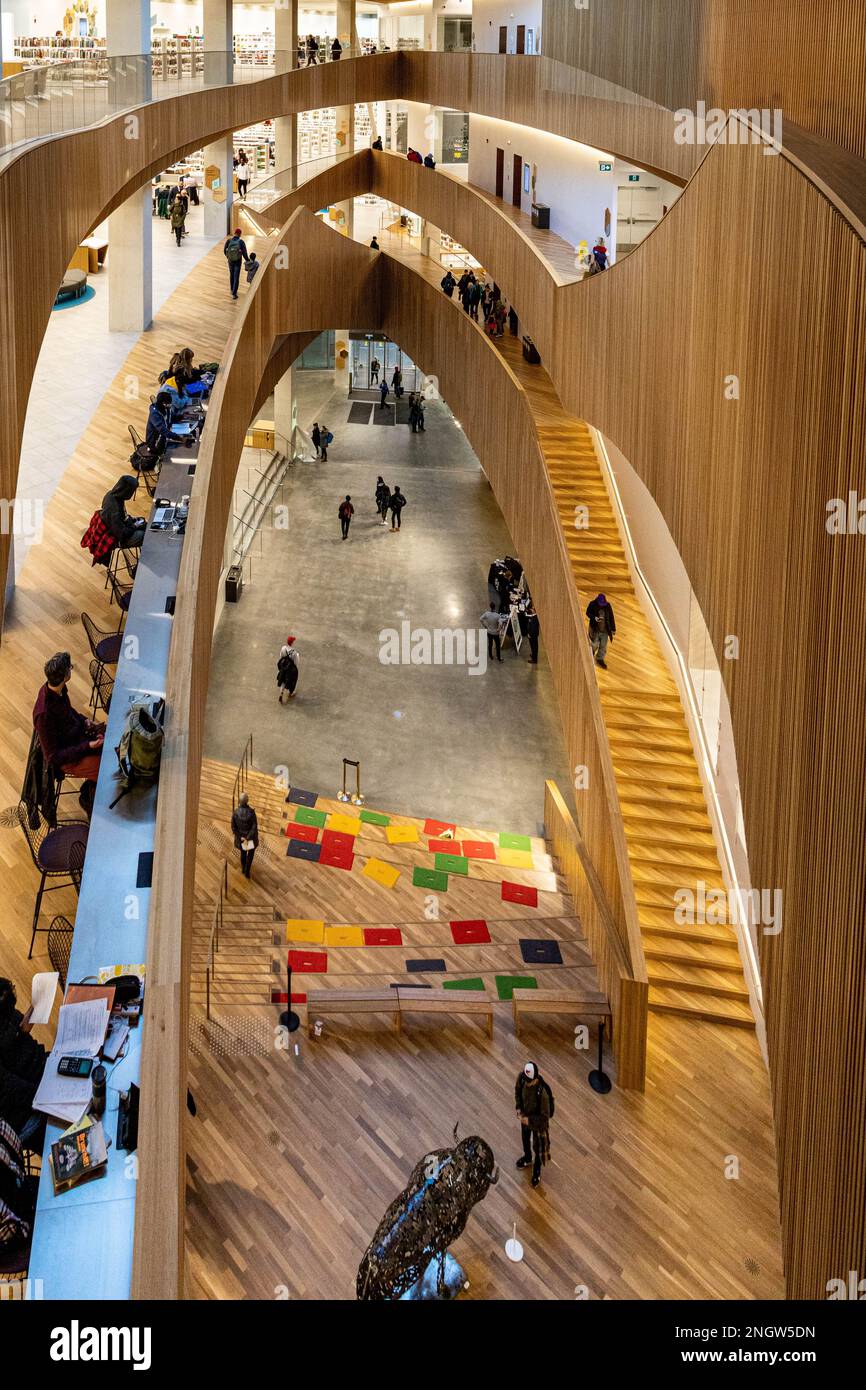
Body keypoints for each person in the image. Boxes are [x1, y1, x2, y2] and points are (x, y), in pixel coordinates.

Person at [32, 652, 105, 803]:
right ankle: (90, 799)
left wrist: (83, 720)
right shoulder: (44, 714)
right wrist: (88, 746)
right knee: (106, 770)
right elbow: (53, 757)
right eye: (70, 668)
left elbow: (68, 711)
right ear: (65, 676)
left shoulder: (57, 689)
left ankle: (93, 787)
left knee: (111, 743)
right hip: (68, 759)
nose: (71, 670)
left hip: (76, 739)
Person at [515, 1061, 553, 1187]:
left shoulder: (543, 1094)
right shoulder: (522, 1079)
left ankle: (536, 1170)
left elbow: (545, 1118)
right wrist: (519, 1108)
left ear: (535, 1079)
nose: (526, 1083)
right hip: (525, 1118)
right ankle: (527, 1158)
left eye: (528, 1081)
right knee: (525, 1139)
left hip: (537, 1125)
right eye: (525, 1080)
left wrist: (529, 1120)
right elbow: (518, 1092)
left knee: (538, 1148)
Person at [101, 475, 146, 549]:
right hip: (117, 538)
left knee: (144, 525)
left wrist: (132, 520)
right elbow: (122, 534)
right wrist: (135, 526)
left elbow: (123, 517)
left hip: (118, 528)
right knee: (143, 535)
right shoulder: (114, 510)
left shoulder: (111, 494)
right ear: (127, 491)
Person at [146, 392, 188, 456]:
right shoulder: (154, 414)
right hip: (156, 443)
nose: (170, 405)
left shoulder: (166, 408)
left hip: (165, 435)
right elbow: (163, 430)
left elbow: (172, 417)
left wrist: (182, 416)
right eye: (169, 404)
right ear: (163, 404)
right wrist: (180, 438)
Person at [231, 791, 258, 879]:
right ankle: (247, 871)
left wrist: (241, 837)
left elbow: (233, 828)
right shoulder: (251, 813)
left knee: (243, 853)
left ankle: (243, 869)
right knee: (250, 855)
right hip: (250, 839)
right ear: (247, 801)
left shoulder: (235, 813)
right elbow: (254, 827)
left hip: (241, 839)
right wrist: (248, 837)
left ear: (239, 801)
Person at [586, 592, 616, 668]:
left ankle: (600, 658)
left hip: (605, 631)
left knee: (603, 646)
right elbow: (588, 613)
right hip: (596, 629)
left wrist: (613, 629)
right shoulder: (592, 604)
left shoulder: (608, 606)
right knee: (594, 644)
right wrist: (594, 618)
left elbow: (611, 617)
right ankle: (590, 653)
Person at [224, 228, 250, 299]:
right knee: (236, 276)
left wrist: (228, 257)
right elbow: (244, 253)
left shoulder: (229, 241)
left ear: (234, 233)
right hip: (238, 261)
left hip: (230, 261)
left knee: (231, 275)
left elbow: (224, 250)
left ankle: (232, 289)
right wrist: (248, 260)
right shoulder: (241, 242)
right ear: (239, 234)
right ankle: (234, 293)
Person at [277, 635, 299, 702]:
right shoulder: (294, 653)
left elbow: (281, 657)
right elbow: (296, 663)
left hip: (283, 668)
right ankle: (290, 693)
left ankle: (281, 693)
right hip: (290, 670)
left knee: (283, 681)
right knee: (292, 681)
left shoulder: (283, 648)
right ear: (292, 643)